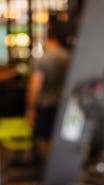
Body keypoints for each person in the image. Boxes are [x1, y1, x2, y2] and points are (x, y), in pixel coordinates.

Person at [24, 17, 71, 161]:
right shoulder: (69, 57)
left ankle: (50, 171)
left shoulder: (43, 59)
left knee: (44, 140)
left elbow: (35, 87)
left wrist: (30, 110)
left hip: (46, 106)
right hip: (65, 106)